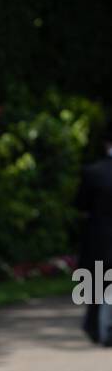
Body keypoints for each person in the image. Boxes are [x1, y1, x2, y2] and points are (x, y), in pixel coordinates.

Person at [74, 128, 112, 345]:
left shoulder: (93, 172)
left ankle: (96, 327)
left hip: (100, 239)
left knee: (98, 286)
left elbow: (81, 204)